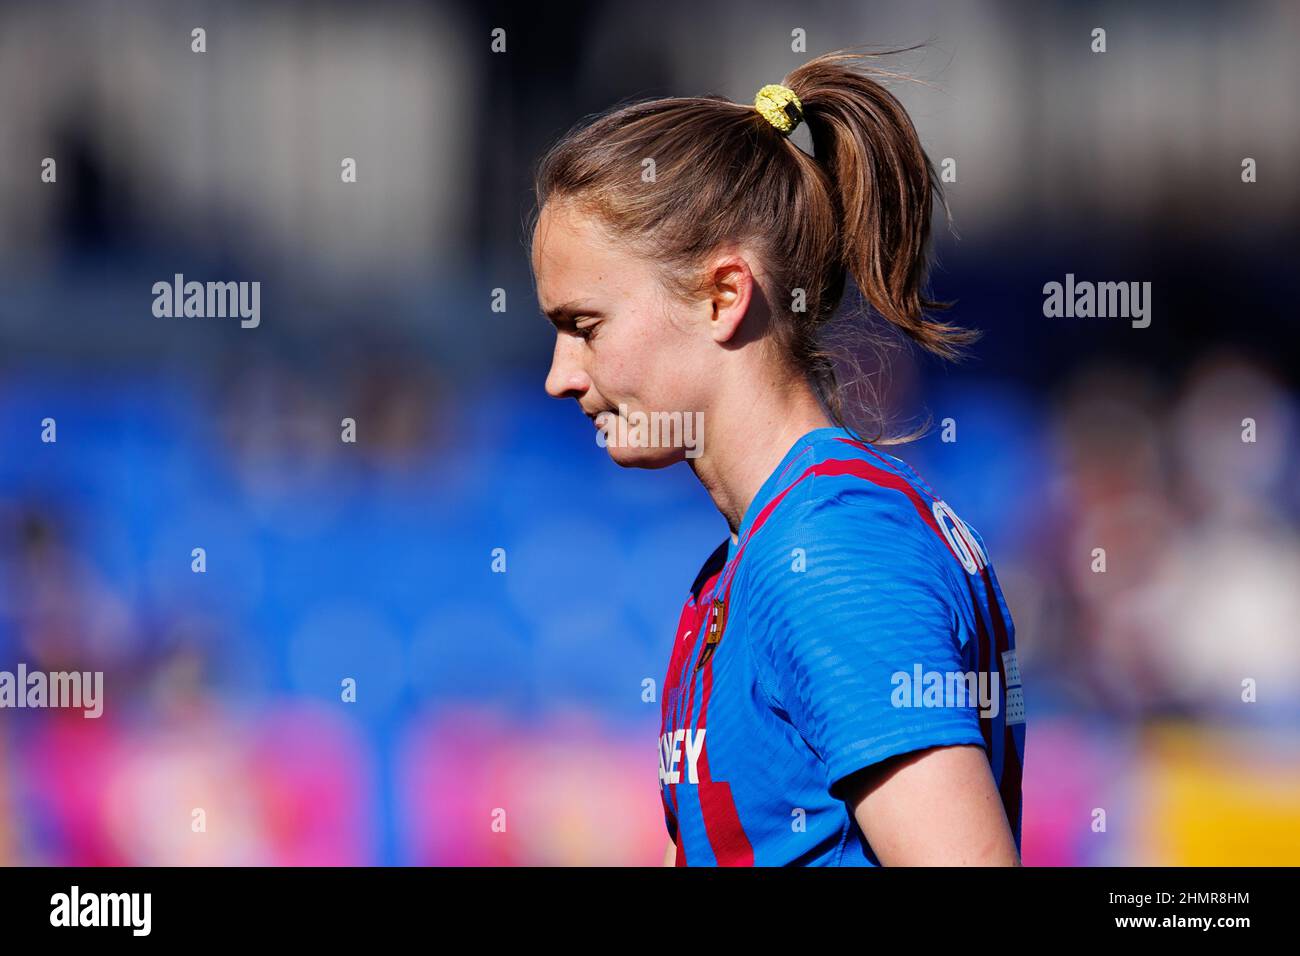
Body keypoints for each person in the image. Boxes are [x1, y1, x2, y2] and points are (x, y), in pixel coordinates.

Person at [529, 49, 1024, 866]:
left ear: (726, 295)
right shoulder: (763, 553)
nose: (558, 377)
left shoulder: (834, 553)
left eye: (585, 326)